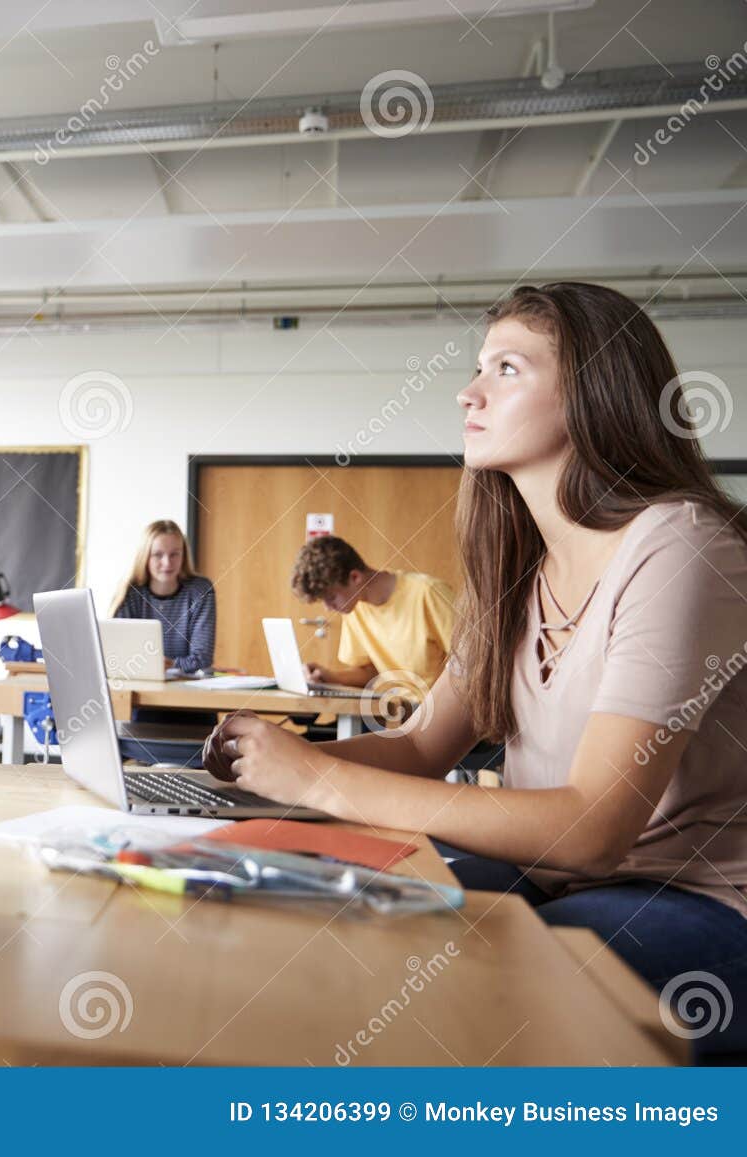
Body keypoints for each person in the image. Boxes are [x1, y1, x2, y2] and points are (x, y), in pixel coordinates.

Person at [204, 282, 747, 1057]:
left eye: (507, 369)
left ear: (593, 393)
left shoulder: (680, 547)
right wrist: (270, 768)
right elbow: (421, 745)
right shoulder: (516, 568)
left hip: (701, 900)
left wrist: (317, 781)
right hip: (560, 878)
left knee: (475, 985)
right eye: (478, 368)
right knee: (344, 924)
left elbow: (593, 829)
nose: (468, 392)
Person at [290, 535, 455, 693]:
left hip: (433, 705)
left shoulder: (428, 593)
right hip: (390, 703)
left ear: (355, 577)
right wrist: (328, 676)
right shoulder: (354, 607)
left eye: (331, 597)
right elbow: (370, 672)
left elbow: (464, 665)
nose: (328, 608)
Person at [109, 520, 216, 675]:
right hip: (137, 680)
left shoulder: (200, 591)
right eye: (158, 555)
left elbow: (202, 658)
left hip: (184, 684)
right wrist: (171, 664)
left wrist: (168, 664)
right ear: (145, 556)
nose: (167, 563)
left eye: (175, 554)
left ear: (183, 556)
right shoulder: (129, 592)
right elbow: (117, 654)